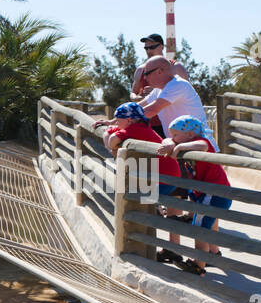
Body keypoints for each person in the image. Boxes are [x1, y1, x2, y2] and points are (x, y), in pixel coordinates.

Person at [93, 102, 186, 263]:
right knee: (167, 211)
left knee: (142, 205)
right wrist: (113, 131)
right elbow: (113, 136)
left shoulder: (135, 129)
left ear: (129, 120)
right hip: (166, 174)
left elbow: (111, 141)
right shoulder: (138, 127)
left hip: (163, 177)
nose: (116, 121)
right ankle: (171, 250)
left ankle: (144, 248)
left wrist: (112, 141)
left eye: (118, 119)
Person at [159, 115, 232, 275]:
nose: (173, 138)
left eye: (176, 135)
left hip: (214, 193)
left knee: (199, 228)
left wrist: (177, 148)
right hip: (207, 193)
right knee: (207, 224)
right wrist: (172, 142)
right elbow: (167, 141)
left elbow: (203, 146)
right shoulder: (184, 142)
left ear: (191, 134)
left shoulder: (202, 142)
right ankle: (213, 255)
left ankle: (198, 265)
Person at [140, 58, 219, 148]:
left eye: (146, 74)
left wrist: (125, 118)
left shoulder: (178, 84)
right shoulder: (158, 90)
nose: (145, 78)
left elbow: (151, 110)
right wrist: (124, 113)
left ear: (159, 71)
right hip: (185, 148)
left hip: (201, 150)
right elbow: (138, 106)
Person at [130, 34, 189, 100]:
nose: (148, 51)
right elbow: (133, 93)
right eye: (146, 48)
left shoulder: (176, 67)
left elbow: (187, 93)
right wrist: (137, 98)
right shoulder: (141, 70)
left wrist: (156, 92)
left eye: (152, 47)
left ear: (162, 47)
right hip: (149, 109)